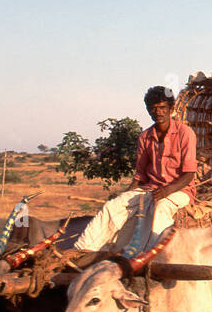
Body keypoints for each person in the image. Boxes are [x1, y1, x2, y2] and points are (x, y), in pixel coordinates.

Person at [71, 86, 197, 258]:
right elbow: (140, 174)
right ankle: (82, 252)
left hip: (179, 191)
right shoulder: (145, 137)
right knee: (112, 207)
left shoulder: (185, 134)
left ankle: (151, 256)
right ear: (148, 110)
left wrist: (167, 190)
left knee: (159, 209)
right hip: (150, 188)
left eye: (162, 108)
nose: (158, 112)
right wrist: (127, 195)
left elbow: (189, 174)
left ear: (171, 109)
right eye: (153, 108)